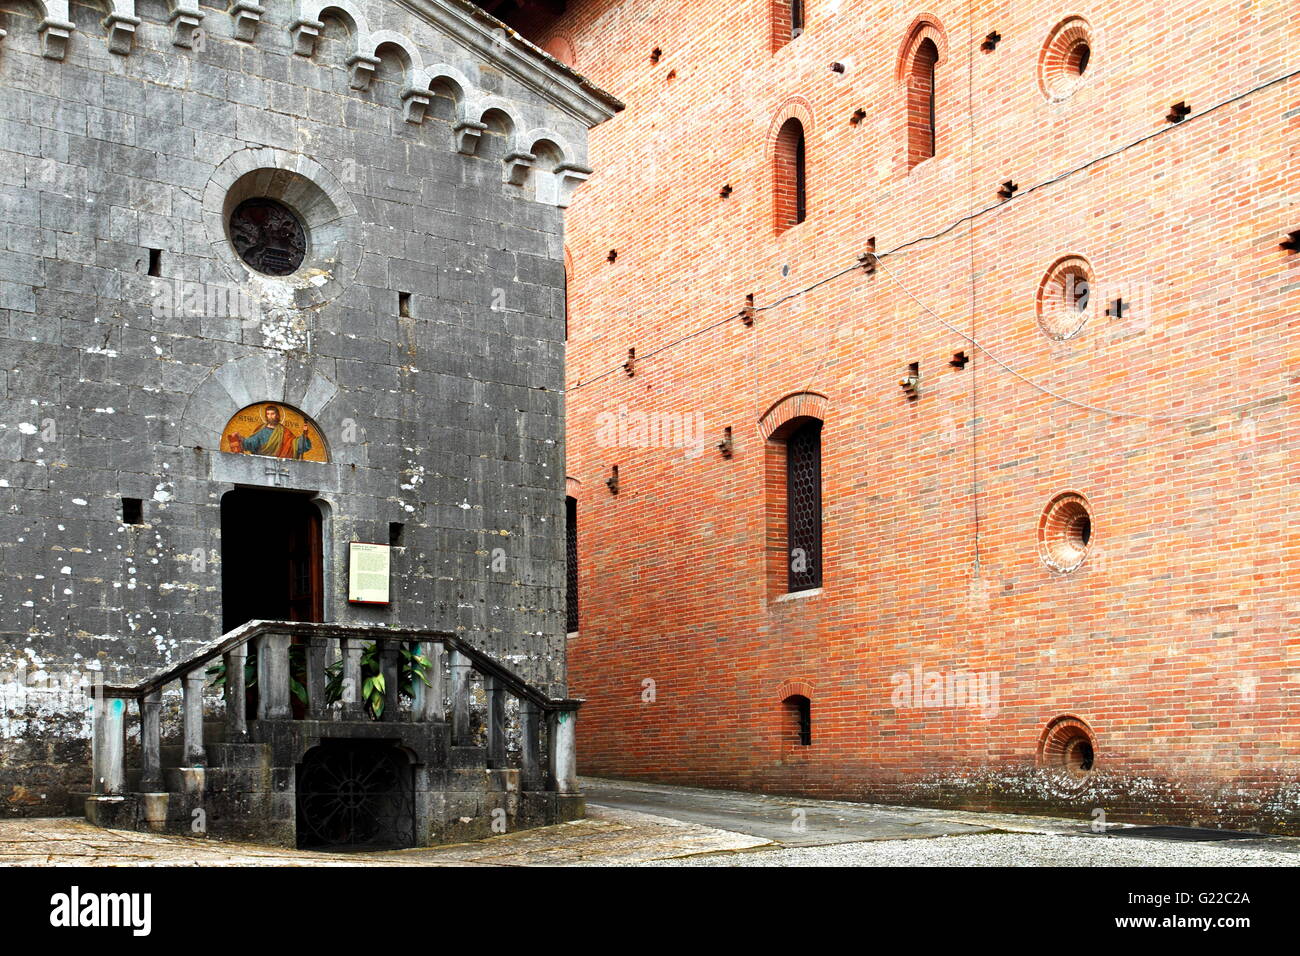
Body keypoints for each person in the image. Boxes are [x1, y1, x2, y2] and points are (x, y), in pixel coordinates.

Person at [227, 404, 313, 459]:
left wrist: (304, 438)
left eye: (272, 414)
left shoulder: (284, 431)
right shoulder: (261, 430)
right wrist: (240, 439)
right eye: (268, 414)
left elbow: (293, 443)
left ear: (278, 415)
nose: (270, 416)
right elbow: (252, 442)